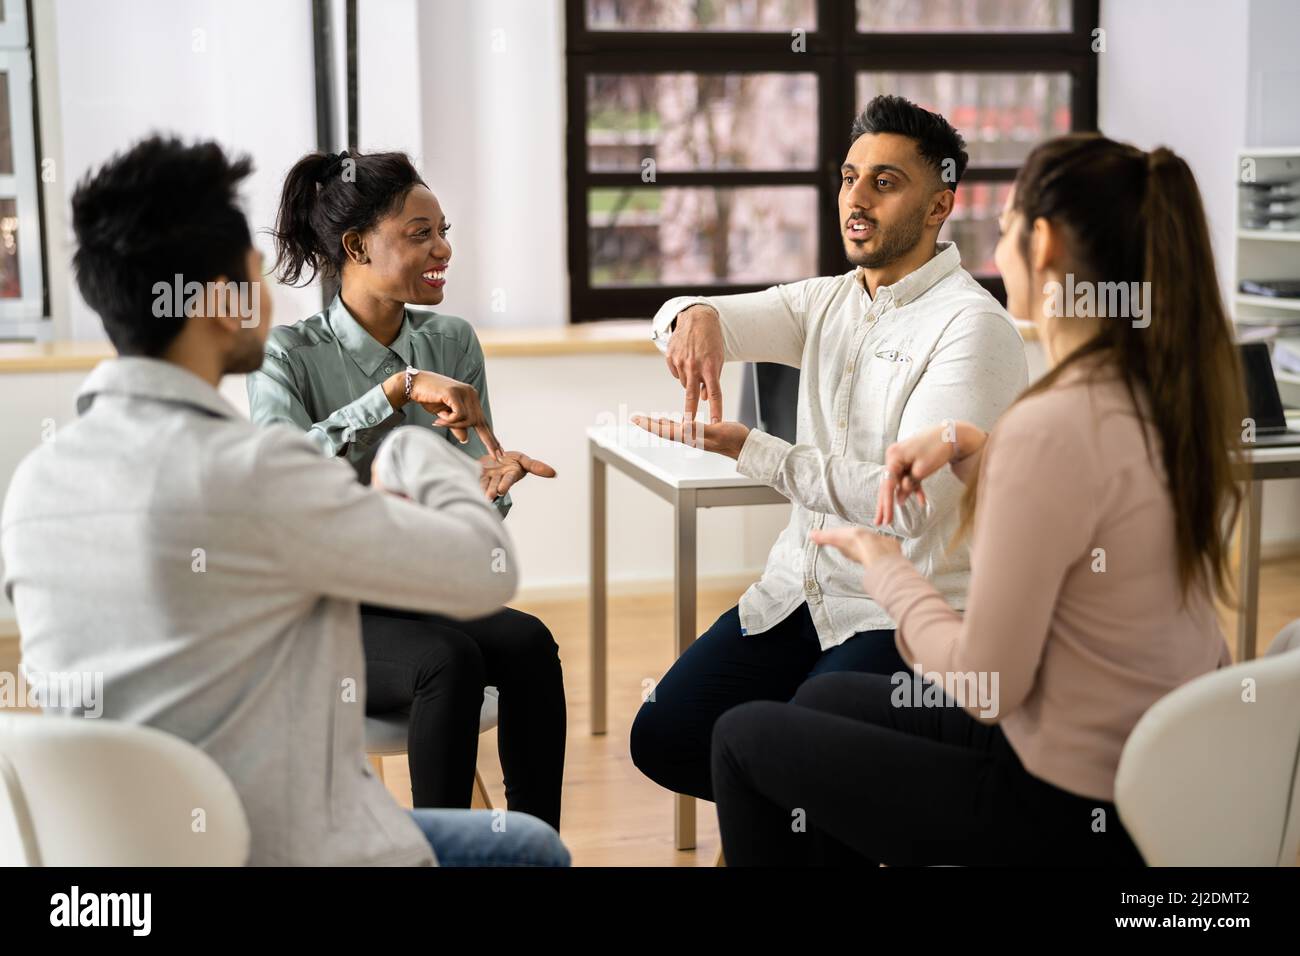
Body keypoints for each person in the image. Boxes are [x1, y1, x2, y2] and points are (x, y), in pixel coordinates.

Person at [0, 135, 568, 867]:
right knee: (524, 849)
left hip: (116, 859)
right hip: (286, 847)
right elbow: (483, 566)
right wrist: (409, 445)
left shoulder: (33, 485)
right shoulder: (257, 465)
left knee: (512, 649)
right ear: (224, 300)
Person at [712, 134, 1243, 866]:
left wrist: (884, 569)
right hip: (1155, 759)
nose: (995, 242)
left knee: (741, 738)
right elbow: (1088, 491)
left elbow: (985, 684)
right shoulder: (1166, 400)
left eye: (1005, 225)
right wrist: (975, 446)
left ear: (1044, 241)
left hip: (1063, 801)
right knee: (823, 706)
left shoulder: (1046, 422)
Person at [628, 95, 1028, 804]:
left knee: (800, 751)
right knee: (663, 732)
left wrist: (758, 452)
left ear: (939, 206)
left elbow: (905, 509)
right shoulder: (826, 302)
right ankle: (818, 820)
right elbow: (672, 319)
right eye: (849, 177)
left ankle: (822, 817)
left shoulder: (974, 327)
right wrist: (692, 316)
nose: (856, 198)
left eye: (884, 181)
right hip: (797, 597)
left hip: (901, 613)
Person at [247, 149, 565, 830]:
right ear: (357, 245)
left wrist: (490, 488)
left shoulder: (452, 341)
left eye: (442, 230)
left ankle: (534, 848)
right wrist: (395, 390)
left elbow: (473, 494)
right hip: (321, 608)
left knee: (531, 645)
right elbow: (282, 480)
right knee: (446, 662)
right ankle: (446, 854)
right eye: (420, 234)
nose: (443, 248)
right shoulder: (287, 356)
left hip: (419, 587)